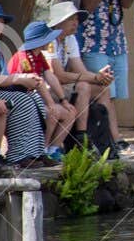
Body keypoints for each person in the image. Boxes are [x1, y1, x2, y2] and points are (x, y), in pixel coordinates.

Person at [0, 3, 51, 167]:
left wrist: (23, 81)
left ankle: (36, 152)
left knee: (34, 98)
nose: (0, 26)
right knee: (21, 102)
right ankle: (18, 154)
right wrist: (19, 79)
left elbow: (4, 77)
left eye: (1, 22)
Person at [44, 0, 117, 150]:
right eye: (71, 19)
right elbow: (59, 75)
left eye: (76, 19)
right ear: (59, 23)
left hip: (61, 87)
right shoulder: (49, 40)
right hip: (46, 90)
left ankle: (107, 139)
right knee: (83, 87)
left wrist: (100, 78)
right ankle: (81, 136)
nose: (76, 23)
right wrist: (94, 77)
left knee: (103, 89)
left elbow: (80, 70)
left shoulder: (69, 40)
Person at [8, 20, 80, 158]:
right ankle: (43, 150)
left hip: (34, 100)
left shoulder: (39, 56)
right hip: (21, 102)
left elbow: (50, 77)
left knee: (70, 112)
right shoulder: (23, 57)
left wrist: (63, 100)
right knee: (52, 113)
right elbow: (36, 83)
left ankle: (53, 148)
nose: (50, 41)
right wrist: (51, 103)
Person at [77, 0, 133, 105]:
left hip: (117, 44)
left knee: (114, 97)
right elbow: (87, 7)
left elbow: (128, 3)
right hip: (94, 45)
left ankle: (109, 132)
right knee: (103, 92)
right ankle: (106, 132)